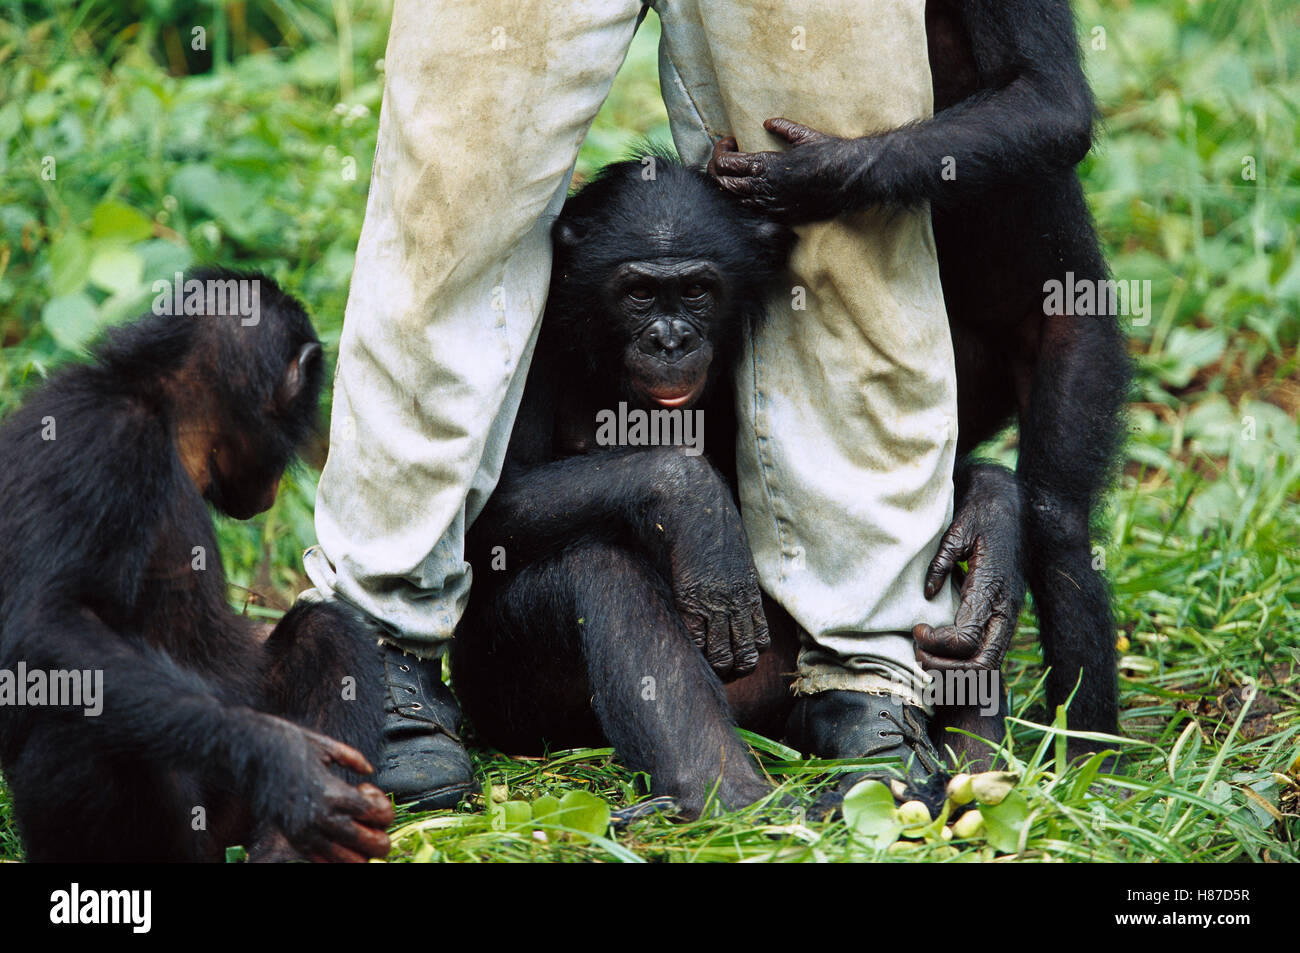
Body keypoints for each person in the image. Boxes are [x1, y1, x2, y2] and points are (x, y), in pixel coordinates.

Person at [301, 0, 960, 809]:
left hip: (722, 647)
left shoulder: (763, 323)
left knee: (844, 215)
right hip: (547, 648)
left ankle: (867, 683)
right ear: (582, 283)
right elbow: (489, 517)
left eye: (695, 300)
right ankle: (716, 786)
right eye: (642, 300)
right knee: (459, 169)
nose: (671, 338)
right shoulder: (557, 332)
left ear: (747, 283)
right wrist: (662, 481)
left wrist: (994, 493)